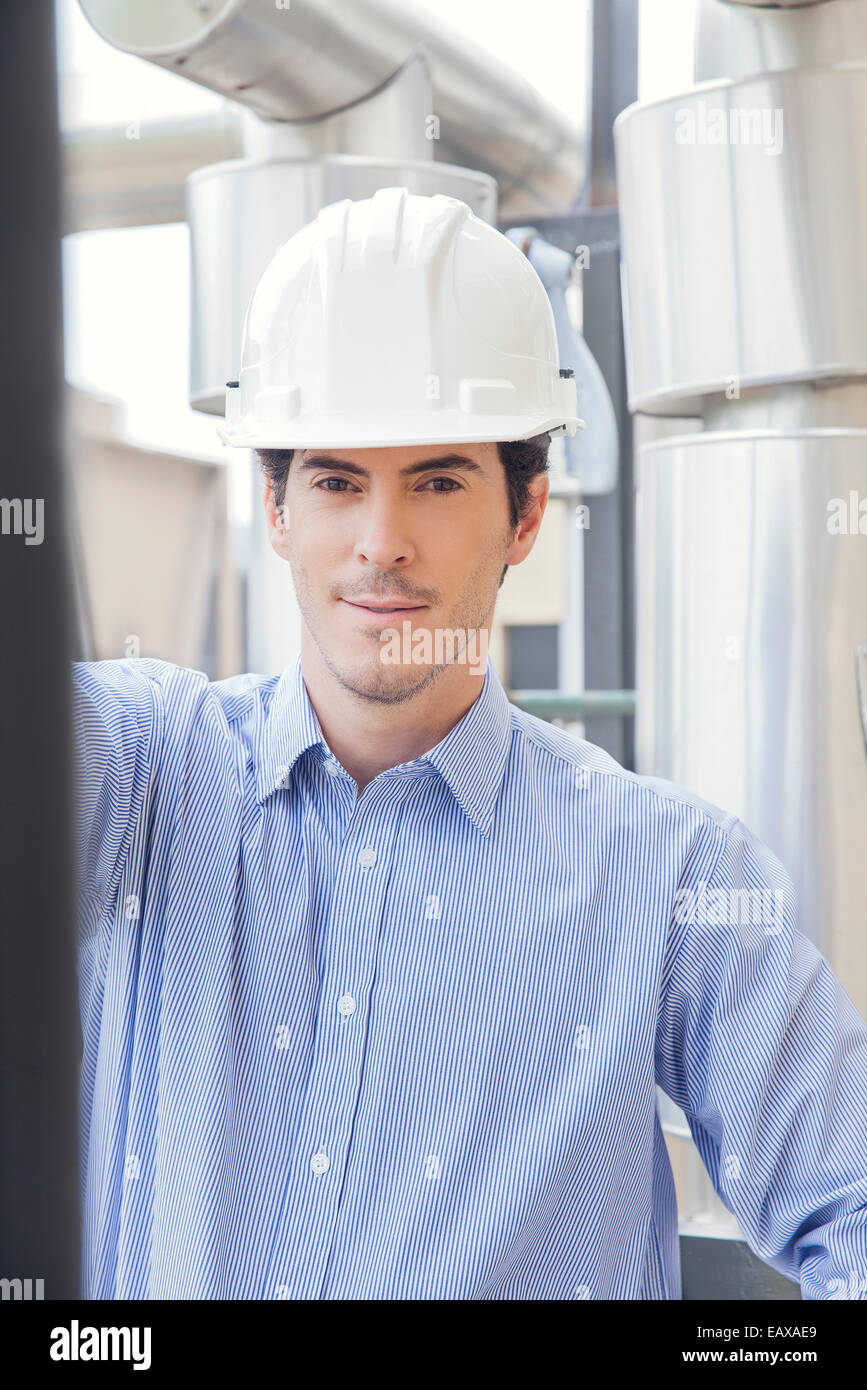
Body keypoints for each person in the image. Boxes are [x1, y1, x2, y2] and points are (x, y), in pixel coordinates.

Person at [72, 187, 867, 1299]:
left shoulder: (669, 873)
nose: (381, 542)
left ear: (526, 512)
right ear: (279, 510)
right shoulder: (142, 769)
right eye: (338, 481)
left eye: (437, 481)